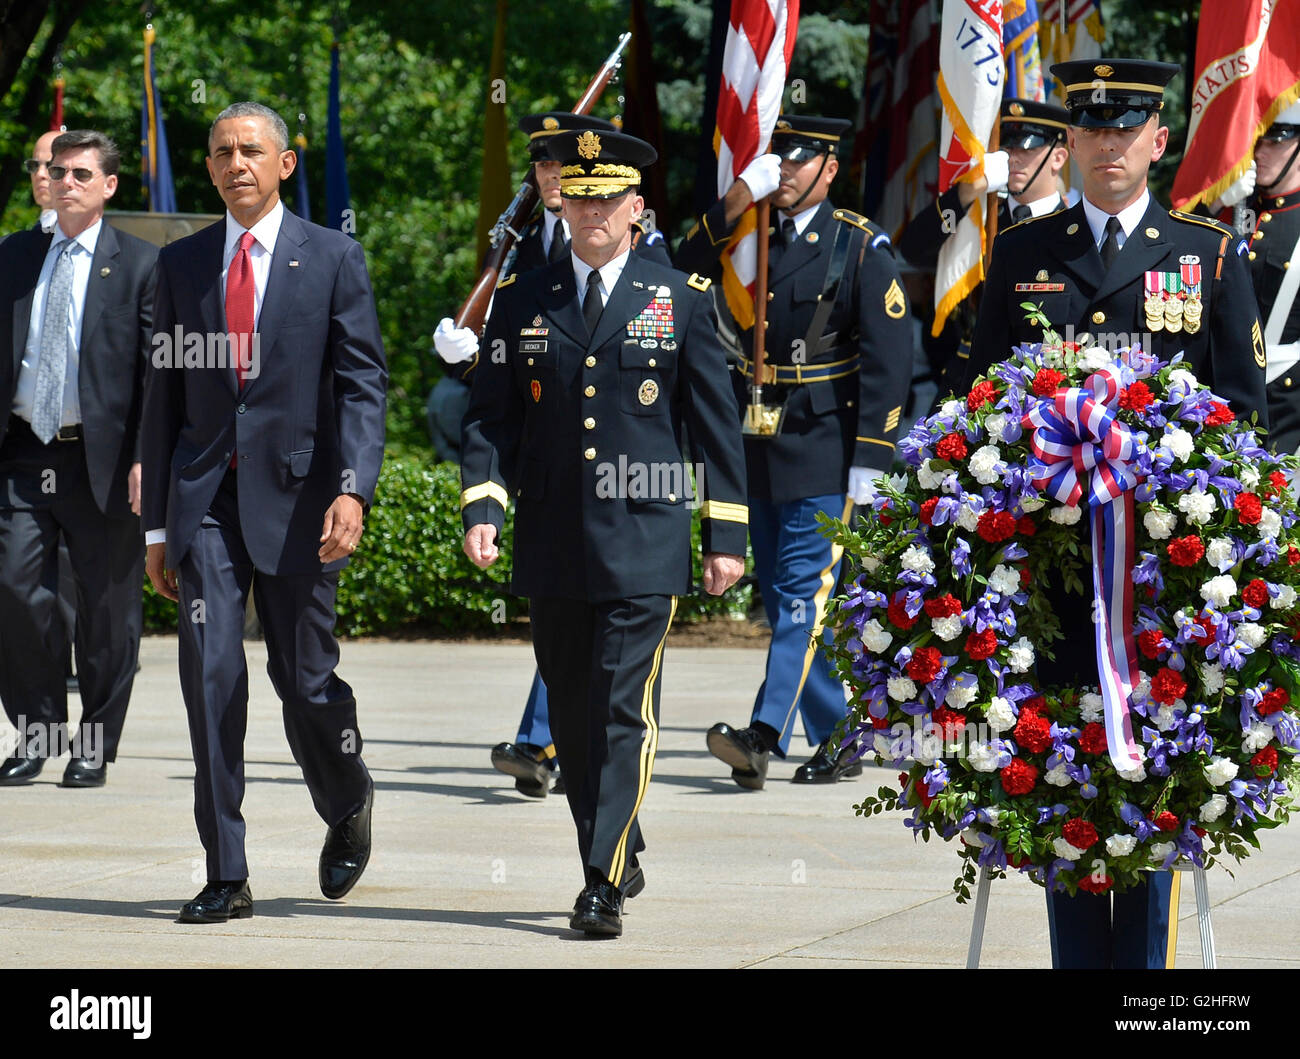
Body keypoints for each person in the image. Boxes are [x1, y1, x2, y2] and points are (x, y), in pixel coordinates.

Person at [969, 59, 1268, 969]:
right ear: (1069, 140)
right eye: (1090, 127)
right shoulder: (1022, 254)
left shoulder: (1206, 252)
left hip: (1162, 585)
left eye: (1125, 126)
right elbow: (980, 402)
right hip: (1050, 581)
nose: (1107, 142)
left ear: (1158, 140)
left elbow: (1244, 415)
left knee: (1155, 786)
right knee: (1059, 775)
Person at [460, 128, 748, 936]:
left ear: (635, 210)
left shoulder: (680, 295)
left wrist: (725, 533)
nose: (590, 210)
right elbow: (489, 419)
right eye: (578, 195)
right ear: (564, 201)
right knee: (575, 711)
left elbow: (715, 428)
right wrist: (484, 507)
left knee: (625, 709)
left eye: (607, 198)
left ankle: (601, 879)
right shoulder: (523, 298)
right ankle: (612, 837)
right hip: (553, 540)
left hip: (645, 538)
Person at [141, 102, 387, 924]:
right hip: (206, 500)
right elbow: (161, 398)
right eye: (221, 152)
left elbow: (362, 384)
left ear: (285, 163)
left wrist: (352, 486)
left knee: (304, 679)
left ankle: (347, 793)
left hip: (303, 500)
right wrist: (156, 528)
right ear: (209, 169)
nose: (234, 162)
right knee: (210, 678)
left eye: (251, 150)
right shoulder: (178, 267)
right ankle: (226, 869)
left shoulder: (332, 257)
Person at [436, 111, 669, 800]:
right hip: (551, 502)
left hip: (633, 514)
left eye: (559, 167)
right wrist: (463, 360)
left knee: (619, 697)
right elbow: (500, 400)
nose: (555, 181)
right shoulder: (519, 259)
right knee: (575, 673)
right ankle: (579, 785)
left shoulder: (650, 272)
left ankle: (563, 774)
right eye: (546, 167)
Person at [678, 116, 914, 790]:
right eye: (775, 161)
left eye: (797, 160)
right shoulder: (755, 237)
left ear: (830, 168)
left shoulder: (860, 247)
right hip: (761, 443)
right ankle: (841, 736)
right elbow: (678, 268)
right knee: (787, 604)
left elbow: (890, 360)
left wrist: (874, 454)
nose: (783, 172)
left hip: (826, 449)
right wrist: (732, 204)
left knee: (801, 594)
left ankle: (762, 733)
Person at [0, 130, 155, 788]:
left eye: (81, 175)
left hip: (105, 463)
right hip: (21, 453)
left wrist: (149, 456)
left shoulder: (142, 265)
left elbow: (157, 376)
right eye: (57, 171)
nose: (65, 183)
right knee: (14, 589)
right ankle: (36, 733)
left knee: (106, 609)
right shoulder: (13, 255)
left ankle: (93, 741)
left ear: (108, 186)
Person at [899, 99, 1070, 395]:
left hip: (1045, 384)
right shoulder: (979, 219)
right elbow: (914, 250)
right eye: (1007, 147)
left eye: (1027, 148)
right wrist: (967, 192)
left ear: (1058, 158)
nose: (1013, 158)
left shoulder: (1072, 225)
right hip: (969, 378)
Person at [1240, 101, 1300, 455]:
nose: (1259, 151)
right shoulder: (1234, 211)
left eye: (1275, 140)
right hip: (1234, 401)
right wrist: (1212, 208)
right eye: (1255, 140)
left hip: (1290, 414)